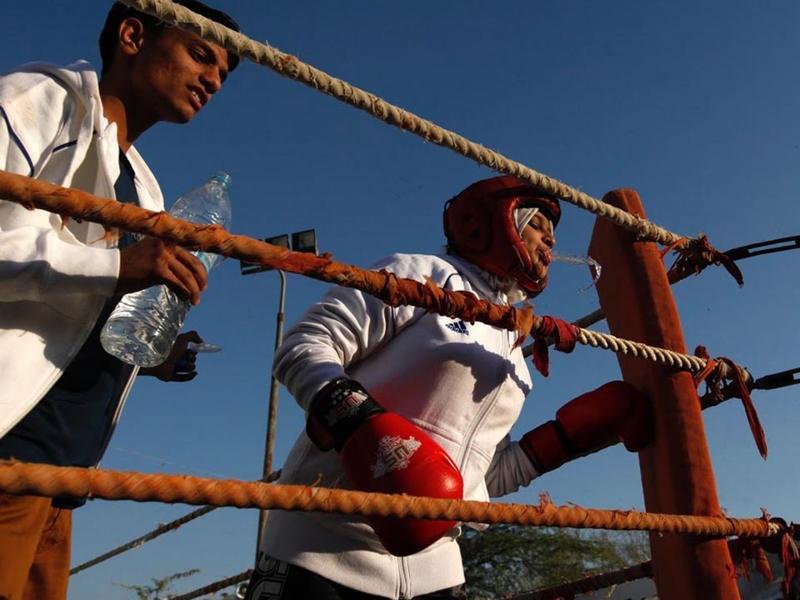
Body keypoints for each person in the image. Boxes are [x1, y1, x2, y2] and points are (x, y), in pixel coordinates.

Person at [245, 175, 652, 599]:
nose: (550, 242)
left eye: (553, 235)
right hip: (320, 552)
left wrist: (561, 441)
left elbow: (470, 477)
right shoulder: (424, 274)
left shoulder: (511, 342)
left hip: (436, 574)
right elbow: (305, 344)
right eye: (538, 226)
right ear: (495, 222)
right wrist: (363, 426)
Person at [0, 2, 240, 598]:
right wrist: (116, 265)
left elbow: (86, 300)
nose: (213, 79)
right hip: (10, 454)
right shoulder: (38, 99)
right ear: (134, 34)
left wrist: (144, 351)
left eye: (224, 73)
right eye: (201, 54)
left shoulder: (148, 187)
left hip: (66, 479)